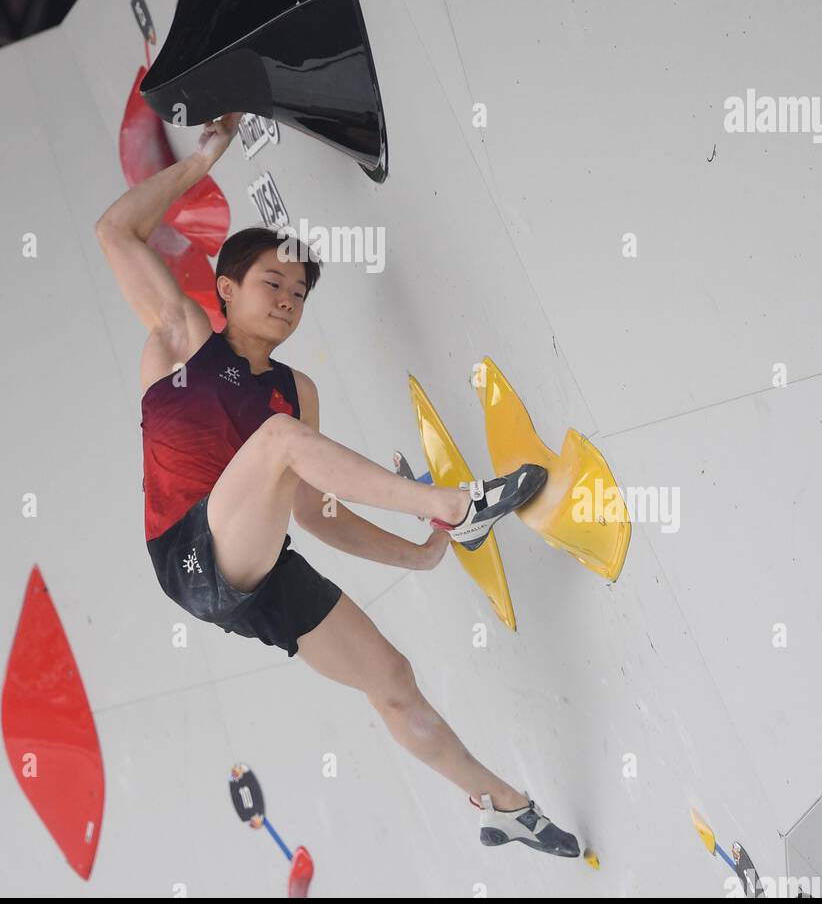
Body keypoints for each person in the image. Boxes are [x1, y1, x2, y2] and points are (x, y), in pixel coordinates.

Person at [95, 112, 578, 858]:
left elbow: (317, 514)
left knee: (392, 678)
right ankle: (462, 508)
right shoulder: (178, 335)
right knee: (280, 442)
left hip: (257, 571)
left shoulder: (295, 390)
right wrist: (202, 161)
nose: (288, 299)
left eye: (300, 292)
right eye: (272, 283)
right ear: (225, 288)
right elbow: (115, 233)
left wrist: (415, 557)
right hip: (187, 556)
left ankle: (500, 804)